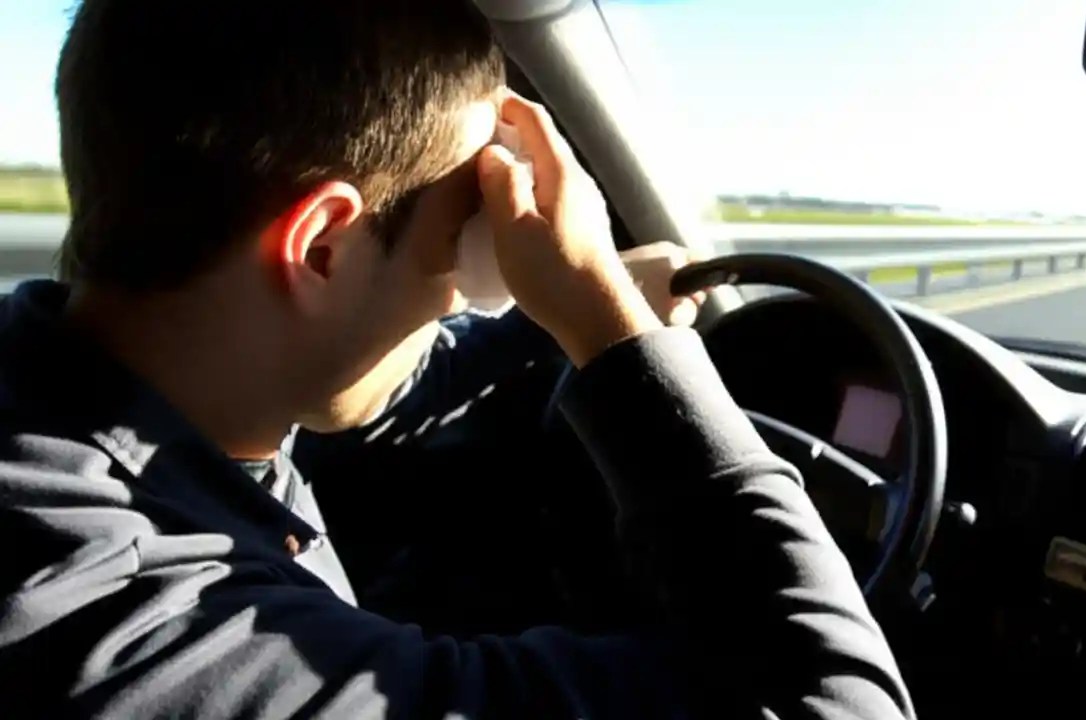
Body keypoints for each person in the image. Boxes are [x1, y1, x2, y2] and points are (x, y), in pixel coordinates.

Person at [0, 1, 913, 718]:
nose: (459, 299)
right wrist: (613, 333)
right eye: (461, 246)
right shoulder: (132, 641)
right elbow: (829, 702)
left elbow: (394, 377)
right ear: (319, 246)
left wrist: (573, 306)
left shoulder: (94, 379)